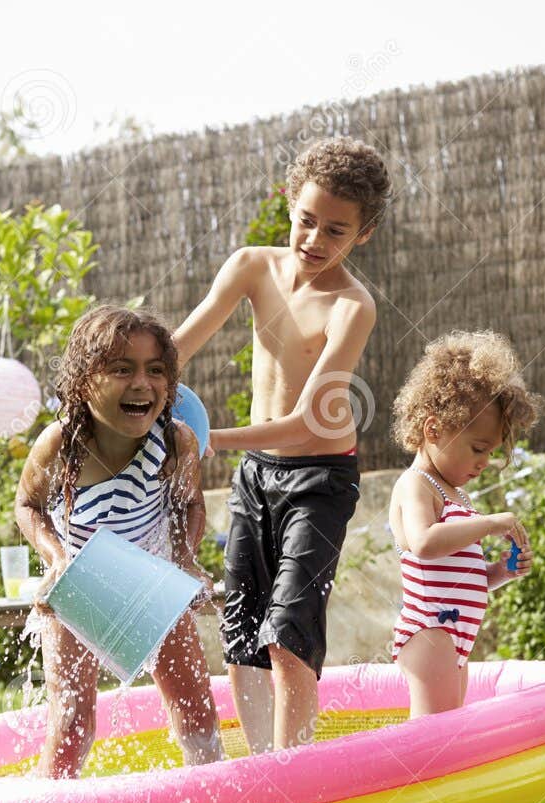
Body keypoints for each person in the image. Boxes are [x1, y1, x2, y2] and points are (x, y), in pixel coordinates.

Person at [173, 137, 391, 752]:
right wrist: (129, 386)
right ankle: (261, 765)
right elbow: (178, 349)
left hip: (320, 478)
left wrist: (209, 438)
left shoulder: (353, 306)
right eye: (307, 220)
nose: (315, 240)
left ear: (363, 235)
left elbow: (305, 422)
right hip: (256, 475)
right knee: (241, 626)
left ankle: (294, 767)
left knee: (287, 628)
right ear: (290, 202)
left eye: (336, 231)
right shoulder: (250, 267)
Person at [14, 306, 222, 778]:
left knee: (196, 710)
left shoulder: (175, 440)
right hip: (81, 580)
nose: (141, 383)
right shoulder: (61, 443)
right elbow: (28, 505)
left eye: (156, 371)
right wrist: (57, 560)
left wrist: (185, 560)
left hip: (152, 576)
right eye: (121, 369)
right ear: (84, 381)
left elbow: (190, 504)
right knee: (71, 723)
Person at [387, 331, 542, 717]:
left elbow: (460, 574)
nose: (484, 462)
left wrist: (499, 572)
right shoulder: (416, 485)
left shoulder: (457, 495)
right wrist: (490, 524)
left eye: (491, 453)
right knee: (431, 733)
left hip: (456, 635)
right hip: (430, 631)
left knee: (450, 728)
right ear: (433, 430)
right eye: (478, 449)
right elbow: (423, 542)